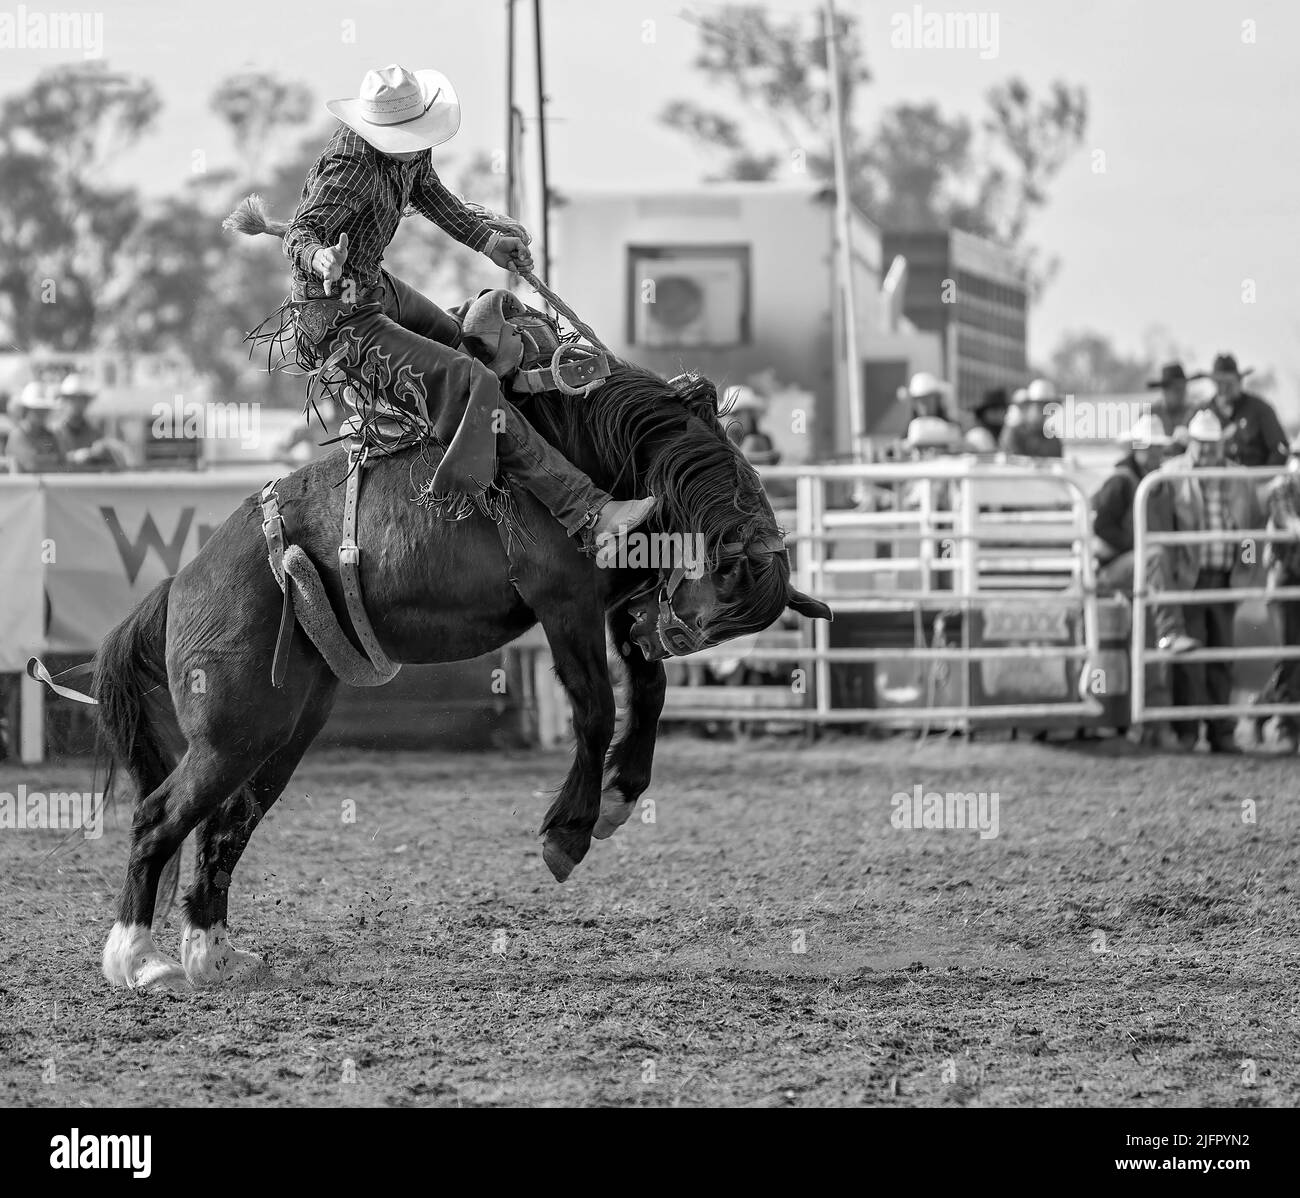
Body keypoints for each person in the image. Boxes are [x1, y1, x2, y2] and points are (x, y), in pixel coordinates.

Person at [264, 64, 653, 549]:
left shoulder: (408, 154)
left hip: (372, 289)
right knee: (468, 378)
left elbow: (435, 199)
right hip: (337, 314)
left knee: (467, 347)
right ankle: (586, 511)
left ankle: (517, 398)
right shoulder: (351, 168)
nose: (416, 142)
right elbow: (300, 233)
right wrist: (322, 257)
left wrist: (489, 242)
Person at [1148, 408, 1255, 752]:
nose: (1207, 451)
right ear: (1190, 442)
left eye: (1212, 444)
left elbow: (1250, 531)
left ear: (1221, 443)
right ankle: (1188, 731)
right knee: (1190, 660)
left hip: (1225, 576)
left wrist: (1246, 567)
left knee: (1222, 656)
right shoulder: (1171, 475)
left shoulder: (1241, 479)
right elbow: (1161, 530)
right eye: (1201, 443)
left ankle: (1221, 731)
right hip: (1189, 577)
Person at [1252, 432, 1300, 753]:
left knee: (1295, 657)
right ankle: (1281, 721)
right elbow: (1291, 523)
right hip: (1285, 580)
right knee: (1291, 654)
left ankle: (1264, 711)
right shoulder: (1282, 486)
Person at [1205, 353, 1287, 470]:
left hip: (1254, 482)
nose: (1223, 388)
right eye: (1219, 383)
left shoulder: (1260, 409)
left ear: (1239, 381)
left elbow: (1280, 450)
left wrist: (1262, 482)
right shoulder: (1202, 411)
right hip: (1213, 484)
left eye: (1228, 383)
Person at [53, 373, 120, 469]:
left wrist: (102, 453)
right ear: (66, 400)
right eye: (74, 399)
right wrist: (73, 458)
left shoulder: (95, 434)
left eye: (82, 399)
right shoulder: (55, 433)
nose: (78, 404)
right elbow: (49, 462)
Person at [6, 382, 66, 473]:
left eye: (45, 409)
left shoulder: (50, 436)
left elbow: (62, 461)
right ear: (26, 410)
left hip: (47, 486)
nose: (42, 413)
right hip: (22, 486)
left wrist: (51, 459)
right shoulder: (17, 435)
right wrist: (53, 459)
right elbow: (31, 464)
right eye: (37, 409)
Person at [1000, 378, 1063, 458]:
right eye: (1039, 405)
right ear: (1029, 405)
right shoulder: (1014, 434)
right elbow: (1012, 465)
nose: (1043, 411)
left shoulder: (1053, 439)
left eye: (1047, 406)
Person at [1147, 361, 1195, 443]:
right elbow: (1139, 446)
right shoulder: (1149, 415)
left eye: (1183, 388)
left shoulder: (1193, 413)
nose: (1182, 393)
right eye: (1177, 389)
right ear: (1165, 391)